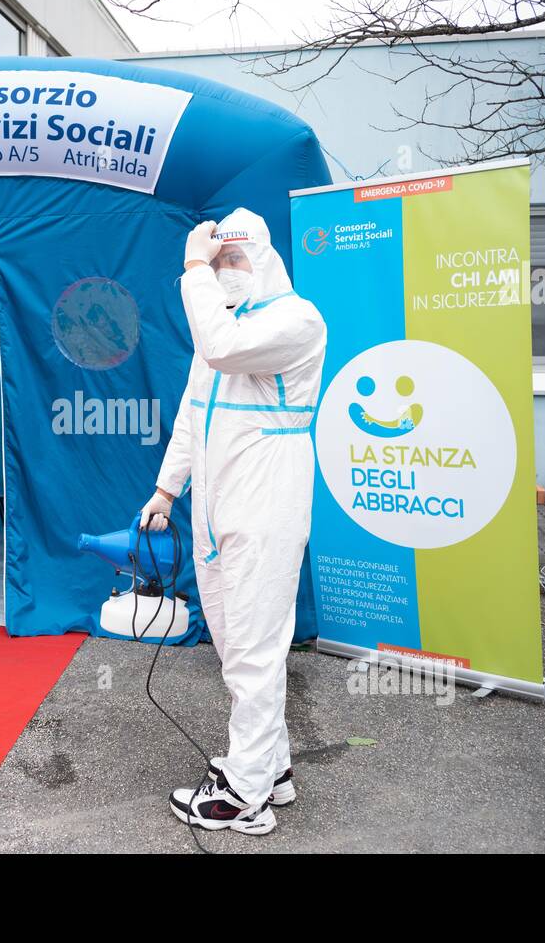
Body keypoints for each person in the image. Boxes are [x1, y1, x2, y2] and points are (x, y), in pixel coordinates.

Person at [140, 209, 327, 835]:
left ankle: (245, 795)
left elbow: (221, 350)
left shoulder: (296, 321)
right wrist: (167, 490)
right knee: (236, 647)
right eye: (219, 262)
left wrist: (193, 267)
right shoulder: (220, 328)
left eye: (235, 260)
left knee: (254, 649)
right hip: (217, 513)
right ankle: (270, 767)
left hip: (266, 504)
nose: (225, 272)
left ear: (266, 260)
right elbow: (194, 417)